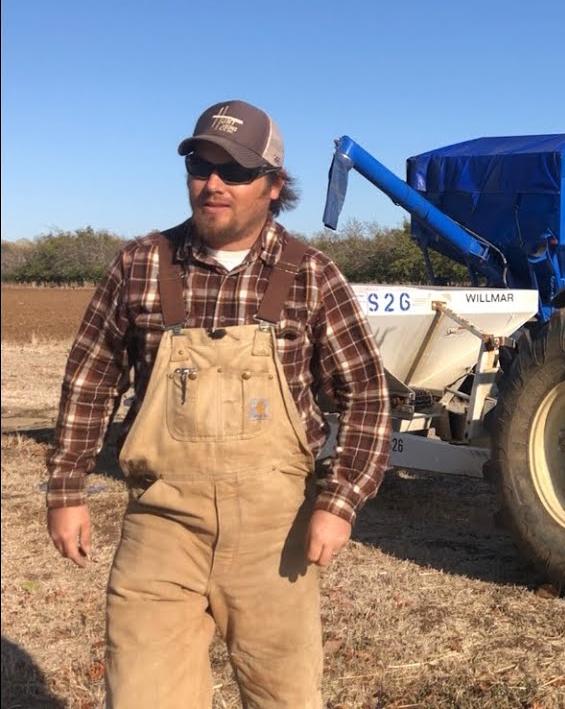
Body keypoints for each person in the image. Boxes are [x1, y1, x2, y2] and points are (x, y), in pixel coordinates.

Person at [45, 99, 391, 707]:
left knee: (284, 696)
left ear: (274, 185)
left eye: (233, 171)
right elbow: (92, 378)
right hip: (162, 525)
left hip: (274, 534)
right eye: (200, 166)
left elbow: (365, 394)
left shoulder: (310, 274)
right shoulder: (140, 265)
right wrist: (66, 487)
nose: (212, 184)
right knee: (143, 694)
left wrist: (340, 502)